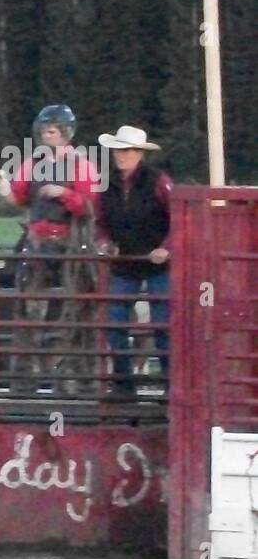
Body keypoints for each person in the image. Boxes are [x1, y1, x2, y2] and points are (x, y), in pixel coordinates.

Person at [0, 104, 98, 392]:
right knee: (28, 308)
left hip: (70, 245)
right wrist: (3, 187)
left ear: (66, 133)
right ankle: (24, 378)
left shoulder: (81, 165)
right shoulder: (32, 163)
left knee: (72, 308)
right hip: (38, 243)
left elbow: (89, 206)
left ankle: (72, 376)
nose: (47, 135)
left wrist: (64, 193)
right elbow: (19, 197)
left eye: (53, 130)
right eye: (45, 130)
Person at [94, 125, 171, 397]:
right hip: (125, 262)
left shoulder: (158, 181)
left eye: (127, 150)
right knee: (115, 325)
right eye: (118, 150)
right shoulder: (107, 184)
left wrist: (166, 247)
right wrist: (104, 243)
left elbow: (178, 221)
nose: (121, 155)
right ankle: (124, 383)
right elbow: (100, 222)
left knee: (162, 327)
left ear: (139, 153)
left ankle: (168, 384)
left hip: (157, 264)